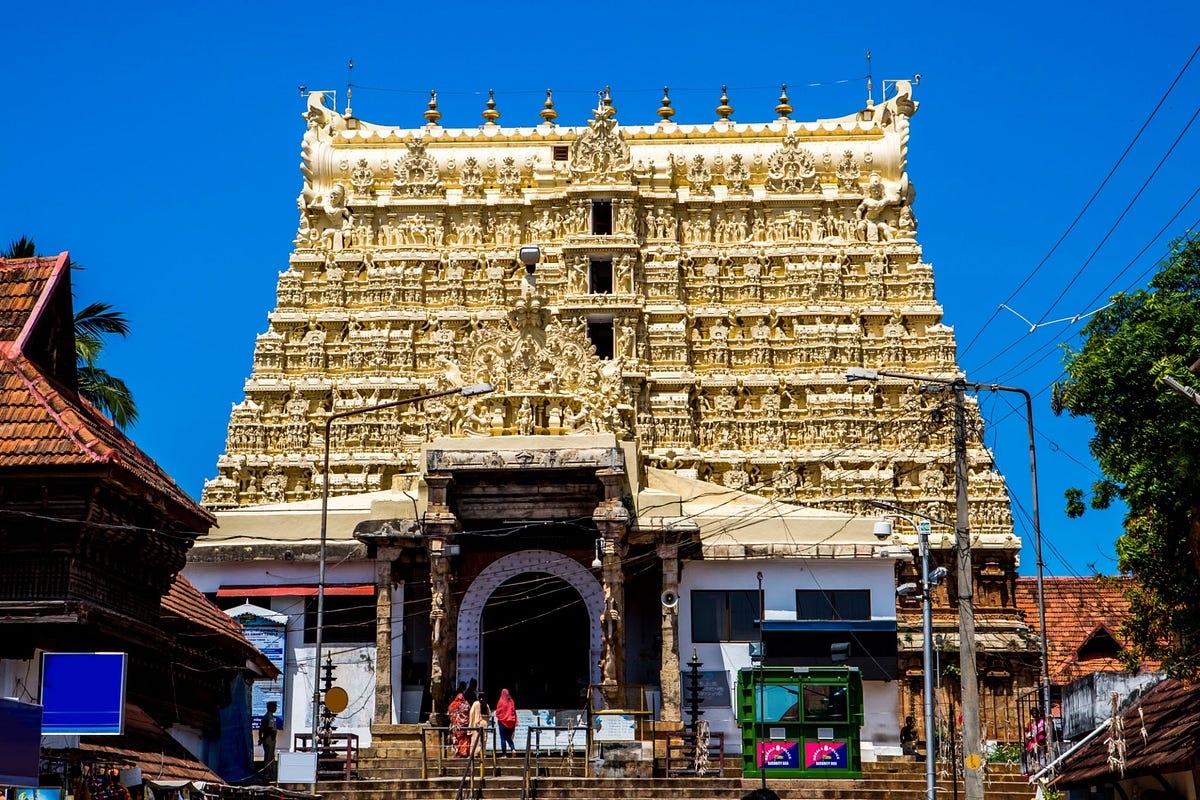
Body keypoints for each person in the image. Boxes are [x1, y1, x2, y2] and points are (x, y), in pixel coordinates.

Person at [259, 701, 279, 780]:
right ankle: (267, 775)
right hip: (270, 739)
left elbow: (260, 730)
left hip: (266, 739)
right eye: (275, 707)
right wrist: (274, 734)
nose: (276, 708)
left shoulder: (265, 716)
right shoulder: (270, 717)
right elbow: (272, 729)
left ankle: (270, 774)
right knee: (269, 758)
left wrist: (260, 738)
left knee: (269, 757)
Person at [495, 688, 518, 757]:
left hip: (503, 723)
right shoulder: (512, 701)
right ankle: (513, 749)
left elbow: (498, 712)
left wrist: (500, 717)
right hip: (511, 723)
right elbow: (514, 712)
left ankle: (504, 754)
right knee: (509, 738)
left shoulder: (501, 701)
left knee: (503, 738)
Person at [1025, 706, 1047, 774]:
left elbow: (1045, 730)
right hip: (1032, 740)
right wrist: (1027, 736)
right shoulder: (1028, 722)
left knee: (1041, 753)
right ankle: (1032, 768)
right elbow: (1025, 731)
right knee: (1031, 753)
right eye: (1033, 713)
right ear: (1031, 714)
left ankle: (1042, 767)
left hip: (1040, 740)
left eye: (1036, 713)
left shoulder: (1042, 721)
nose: (1035, 715)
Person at [449, 688, 471, 757]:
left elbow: (449, 713)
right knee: (464, 739)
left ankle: (457, 752)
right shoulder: (466, 704)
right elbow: (468, 713)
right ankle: (464, 751)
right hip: (464, 725)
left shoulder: (453, 704)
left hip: (456, 726)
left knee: (457, 739)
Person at [469, 690, 491, 756]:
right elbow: (489, 714)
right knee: (484, 739)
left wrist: (470, 724)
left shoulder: (476, 703)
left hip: (477, 723)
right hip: (484, 723)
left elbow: (471, 713)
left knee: (475, 739)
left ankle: (475, 754)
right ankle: (482, 753)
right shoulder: (486, 704)